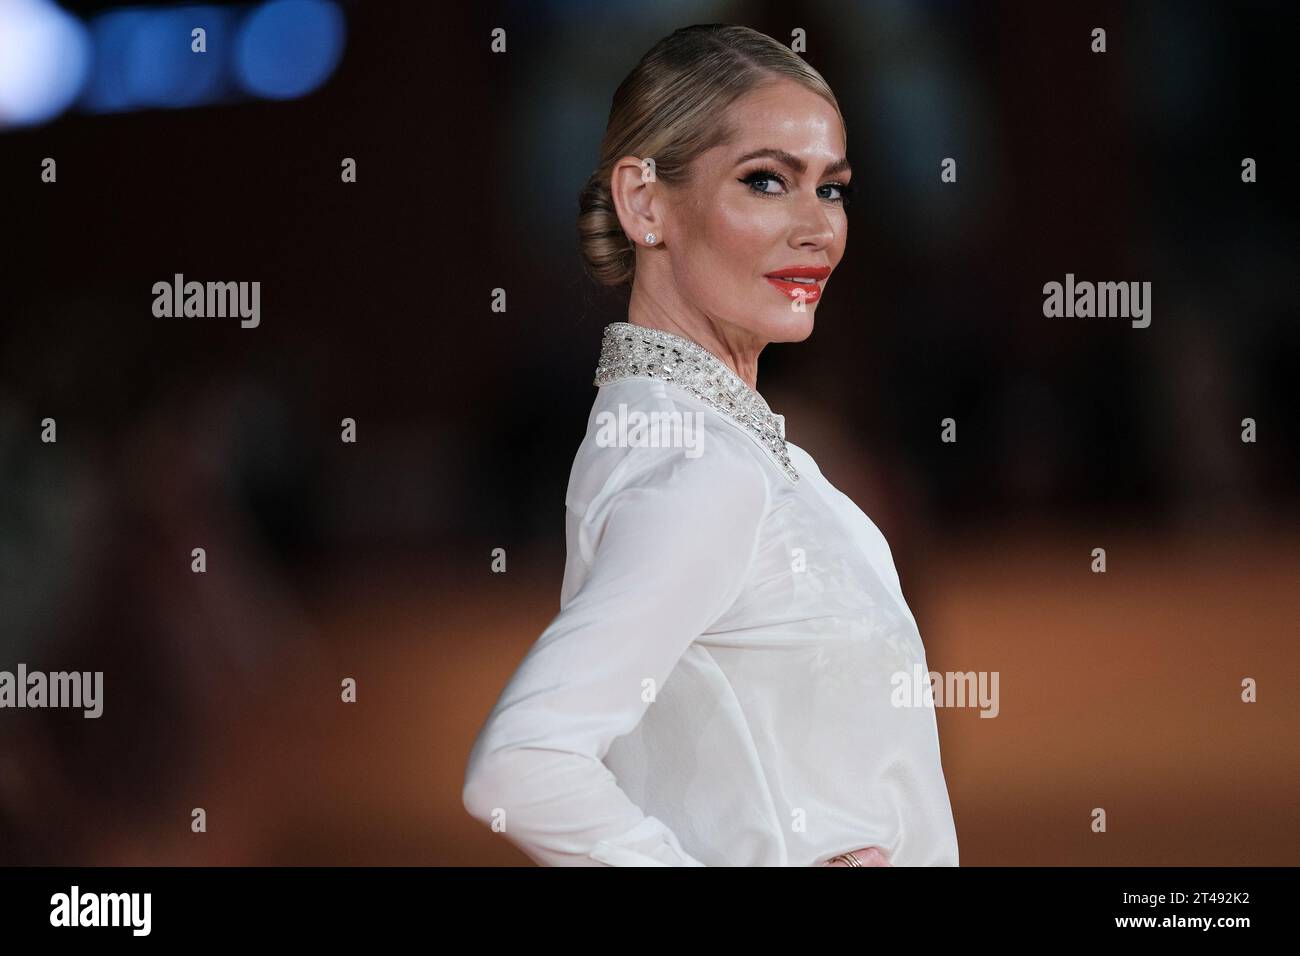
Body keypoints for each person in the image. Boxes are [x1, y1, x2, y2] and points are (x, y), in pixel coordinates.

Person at [461, 23, 959, 867]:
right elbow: (521, 765)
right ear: (644, 202)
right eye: (766, 181)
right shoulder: (701, 469)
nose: (818, 229)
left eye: (831, 189)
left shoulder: (720, 449)